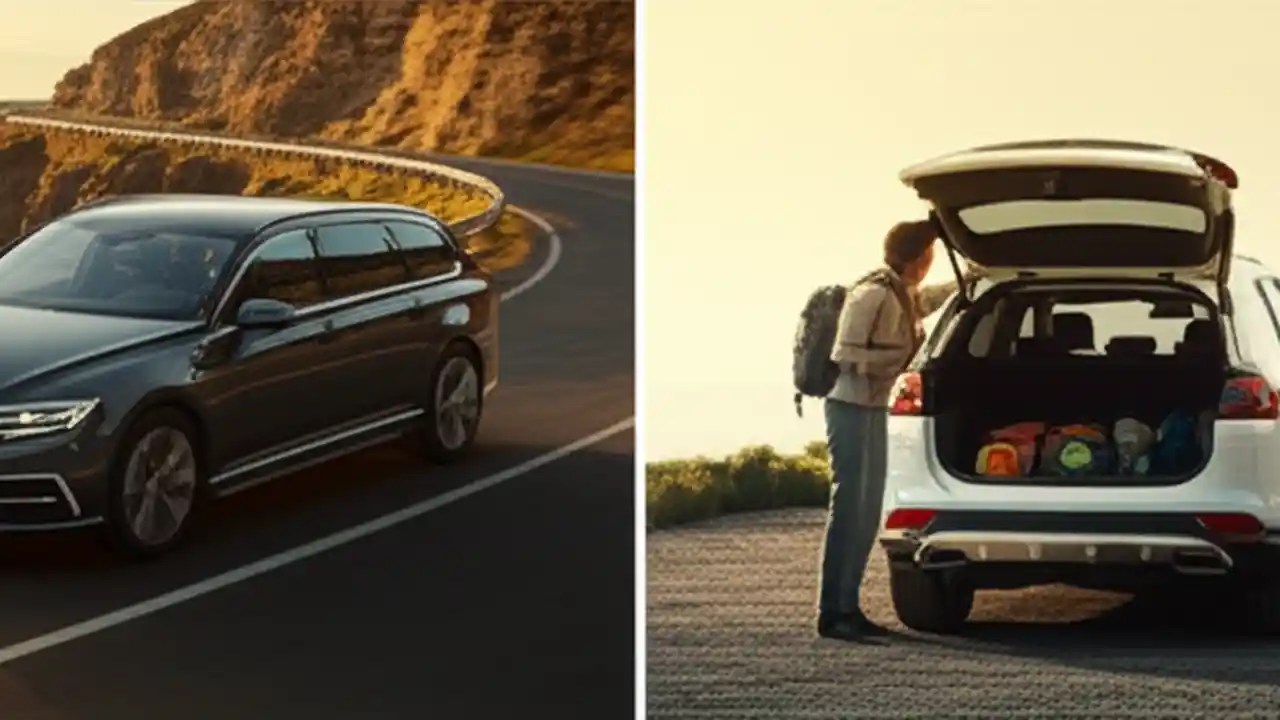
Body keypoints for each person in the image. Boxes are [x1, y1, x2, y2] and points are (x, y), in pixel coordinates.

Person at [816, 219, 965, 641]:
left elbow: (925, 301)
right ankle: (833, 611)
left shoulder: (900, 292)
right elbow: (843, 353)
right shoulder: (872, 294)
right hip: (850, 406)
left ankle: (849, 606)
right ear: (920, 257)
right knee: (849, 509)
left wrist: (968, 277)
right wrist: (897, 362)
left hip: (873, 405)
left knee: (866, 514)